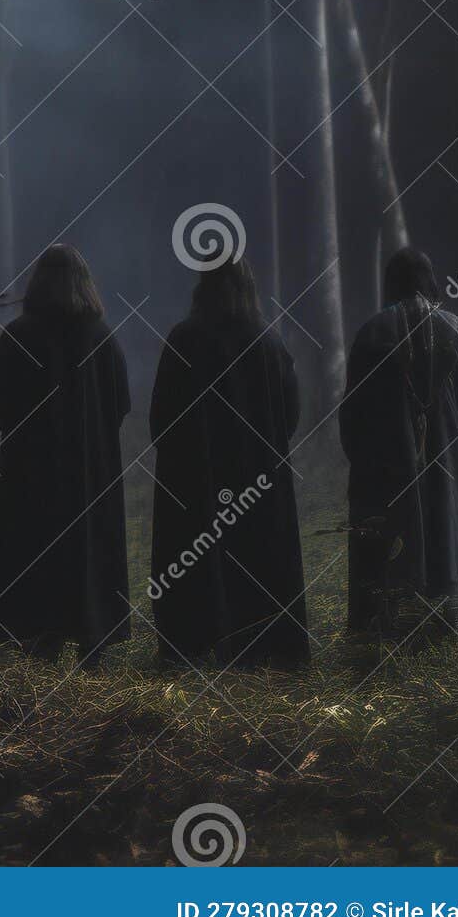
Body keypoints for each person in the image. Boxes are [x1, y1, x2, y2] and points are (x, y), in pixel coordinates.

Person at [148, 258, 308, 668]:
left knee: (197, 561)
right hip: (258, 482)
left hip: (195, 481)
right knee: (258, 557)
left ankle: (193, 642)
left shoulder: (184, 340)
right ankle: (260, 645)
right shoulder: (269, 342)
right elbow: (289, 417)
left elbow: (161, 419)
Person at [0, 243, 130, 667]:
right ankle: (91, 638)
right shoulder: (102, 338)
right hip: (89, 474)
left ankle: (39, 636)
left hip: (31, 476)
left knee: (34, 551)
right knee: (88, 550)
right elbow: (120, 405)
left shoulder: (18, 336)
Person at [339, 247, 458, 636]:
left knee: (391, 533)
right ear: (429, 280)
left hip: (386, 465)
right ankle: (443, 617)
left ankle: (385, 623)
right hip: (443, 460)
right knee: (440, 522)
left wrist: (363, 456)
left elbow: (352, 412)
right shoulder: (456, 331)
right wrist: (447, 440)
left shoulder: (372, 332)